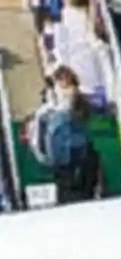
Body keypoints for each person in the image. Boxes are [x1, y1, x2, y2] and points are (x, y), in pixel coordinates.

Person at [29, 67, 99, 204]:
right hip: (63, 161)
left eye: (70, 86)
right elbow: (38, 139)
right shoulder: (47, 114)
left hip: (76, 157)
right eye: (61, 86)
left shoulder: (76, 107)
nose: (68, 91)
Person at [55, 0, 109, 107]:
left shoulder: (74, 16)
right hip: (85, 69)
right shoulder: (72, 15)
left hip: (84, 68)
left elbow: (61, 47)